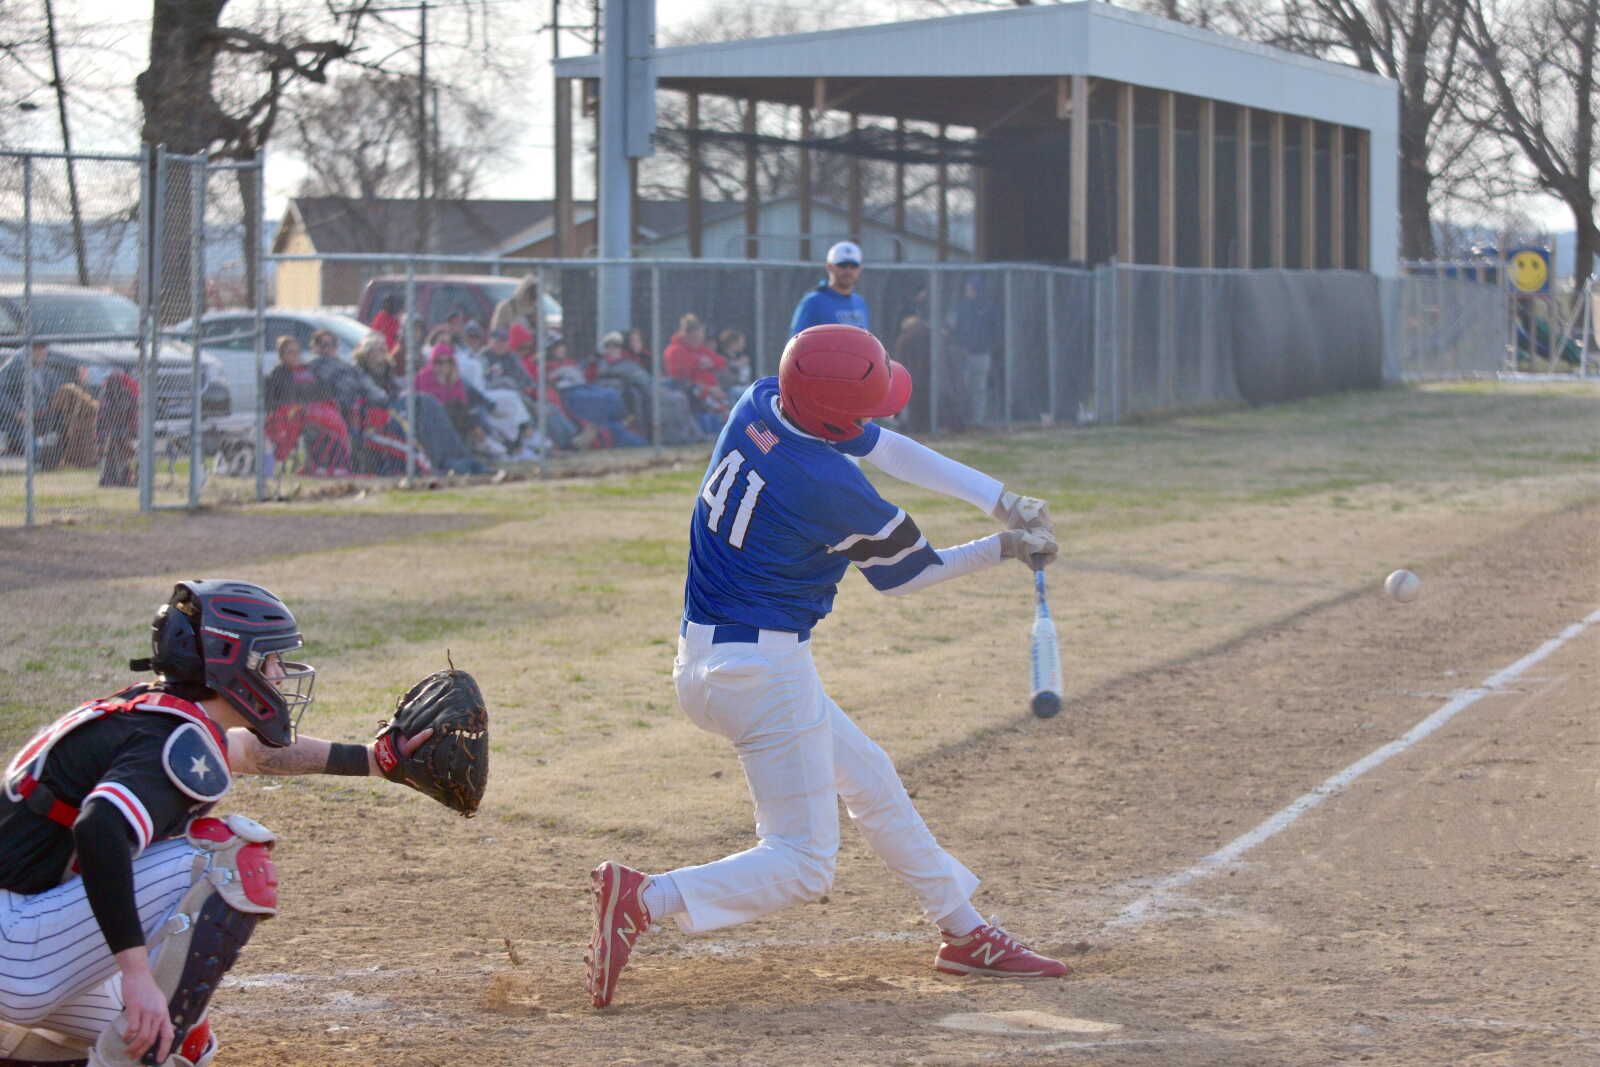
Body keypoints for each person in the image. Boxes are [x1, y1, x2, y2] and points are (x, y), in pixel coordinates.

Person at [585, 324, 1065, 1010]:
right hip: (760, 674)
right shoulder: (827, 486)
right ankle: (646, 897)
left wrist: (998, 498)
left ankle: (964, 931)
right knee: (804, 862)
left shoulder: (761, 401)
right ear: (834, 418)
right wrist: (1004, 545)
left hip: (709, 657)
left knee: (869, 775)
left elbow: (884, 445)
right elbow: (909, 576)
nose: (874, 419)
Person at [0, 579, 436, 1066]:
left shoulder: (158, 714)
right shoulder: (170, 737)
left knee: (181, 1042)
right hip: (15, 947)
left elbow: (249, 752)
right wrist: (137, 975)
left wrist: (376, 760)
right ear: (230, 659)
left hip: (17, 929)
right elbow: (99, 827)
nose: (279, 673)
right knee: (225, 855)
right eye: (268, 659)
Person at [263, 336, 351, 477]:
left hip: (316, 412)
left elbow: (324, 393)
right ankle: (287, 463)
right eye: (290, 352)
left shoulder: (308, 370)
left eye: (297, 352)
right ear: (282, 355)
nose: (295, 356)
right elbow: (272, 402)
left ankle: (335, 464)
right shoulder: (278, 373)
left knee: (336, 421)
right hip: (291, 414)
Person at [662, 314, 730, 434]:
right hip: (690, 390)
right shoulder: (674, 350)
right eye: (695, 337)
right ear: (686, 335)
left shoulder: (699, 349)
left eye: (700, 337)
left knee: (730, 401)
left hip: (712, 389)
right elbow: (679, 375)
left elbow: (721, 362)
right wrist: (698, 363)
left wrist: (709, 363)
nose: (698, 340)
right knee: (716, 406)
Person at [788, 240, 869, 336]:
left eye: (853, 266)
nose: (848, 270)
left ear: (860, 269)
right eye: (842, 265)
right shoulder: (813, 302)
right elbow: (796, 340)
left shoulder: (860, 302)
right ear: (829, 267)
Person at [950, 276, 1000, 428]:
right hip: (965, 353)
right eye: (967, 289)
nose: (968, 292)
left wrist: (988, 345)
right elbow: (954, 327)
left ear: (977, 290)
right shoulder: (963, 307)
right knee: (964, 388)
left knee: (979, 388)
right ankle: (965, 419)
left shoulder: (988, 307)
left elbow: (995, 330)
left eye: (970, 289)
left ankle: (978, 420)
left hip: (982, 354)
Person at [714, 328, 754, 399]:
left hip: (742, 387)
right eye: (741, 342)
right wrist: (736, 366)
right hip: (728, 390)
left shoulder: (741, 358)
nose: (743, 345)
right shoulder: (721, 358)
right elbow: (725, 380)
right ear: (732, 343)